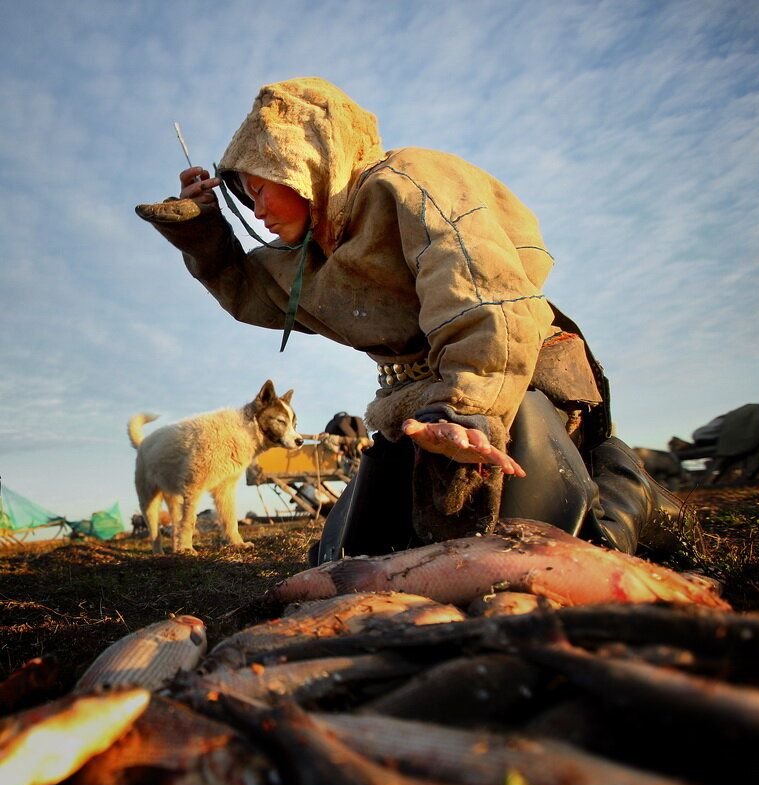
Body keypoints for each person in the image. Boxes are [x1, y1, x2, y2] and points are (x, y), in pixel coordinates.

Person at [136, 76, 696, 564]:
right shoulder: (312, 261)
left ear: (303, 162)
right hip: (424, 407)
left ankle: (625, 482)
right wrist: (206, 232)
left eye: (260, 188)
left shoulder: (410, 185)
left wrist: (467, 411)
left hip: (510, 379)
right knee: (346, 558)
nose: (255, 209)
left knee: (546, 551)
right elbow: (251, 293)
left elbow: (484, 299)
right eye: (244, 197)